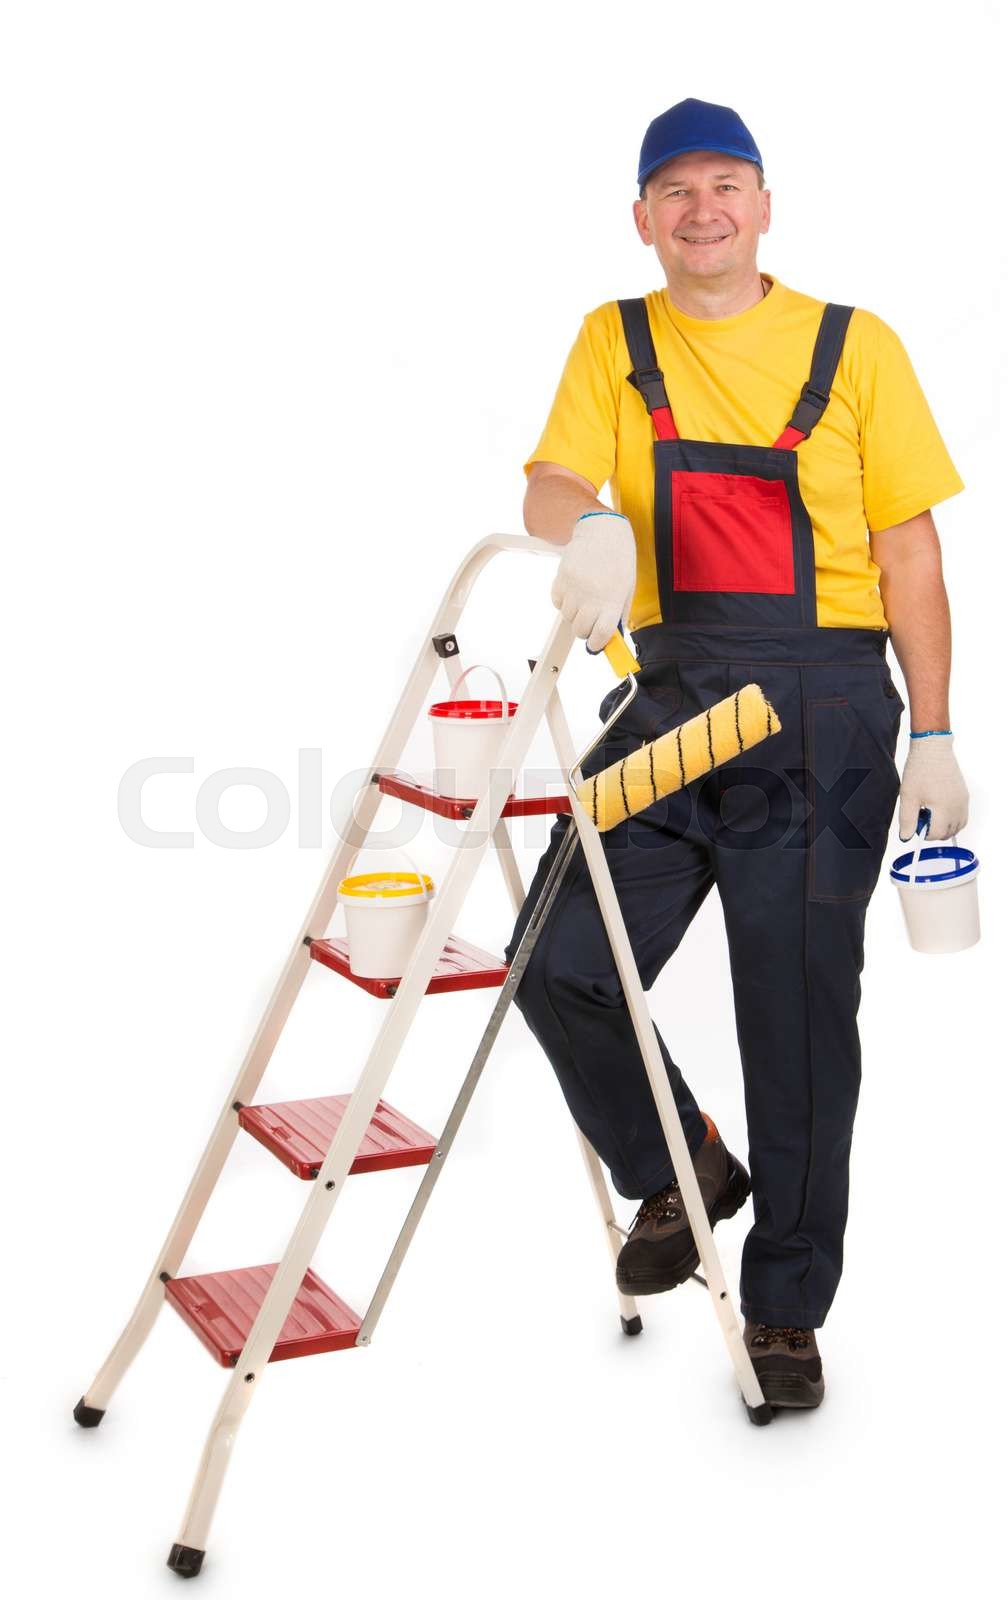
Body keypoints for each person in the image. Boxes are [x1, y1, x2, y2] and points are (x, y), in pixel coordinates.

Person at [504, 97, 969, 1410]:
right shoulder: (616, 337)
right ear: (642, 218)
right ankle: (682, 1166)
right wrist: (583, 528)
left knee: (796, 1020)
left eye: (727, 184)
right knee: (556, 958)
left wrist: (932, 730)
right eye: (675, 190)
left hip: (822, 715)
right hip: (667, 704)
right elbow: (548, 481)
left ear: (765, 204)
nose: (702, 209)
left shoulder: (853, 346)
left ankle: (786, 1311)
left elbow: (909, 552)